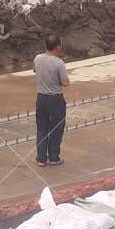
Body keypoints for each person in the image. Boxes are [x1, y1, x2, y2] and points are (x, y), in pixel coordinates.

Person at [33, 34, 72, 166]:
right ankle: (53, 157)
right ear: (58, 47)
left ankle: (41, 158)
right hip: (55, 100)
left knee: (42, 128)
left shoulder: (37, 58)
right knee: (56, 128)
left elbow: (35, 71)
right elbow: (65, 83)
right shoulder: (59, 63)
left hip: (41, 98)